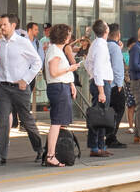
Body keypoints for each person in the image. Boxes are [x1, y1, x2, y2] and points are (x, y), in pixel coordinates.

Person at [0, 13, 44, 163]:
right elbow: (2, 67)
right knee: (3, 120)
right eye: (1, 24)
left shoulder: (23, 42)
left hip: (20, 88)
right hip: (4, 88)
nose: (1, 27)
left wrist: (26, 79)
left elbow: (37, 62)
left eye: (4, 24)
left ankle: (40, 149)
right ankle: (0, 156)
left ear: (13, 26)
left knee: (26, 120)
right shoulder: (0, 43)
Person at [43, 24, 80, 167]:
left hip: (60, 86)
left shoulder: (55, 50)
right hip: (58, 88)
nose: (70, 37)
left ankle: (52, 153)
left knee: (58, 122)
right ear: (64, 37)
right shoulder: (55, 52)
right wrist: (70, 68)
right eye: (69, 34)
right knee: (56, 122)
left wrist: (70, 83)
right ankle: (51, 155)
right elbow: (53, 72)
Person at [83, 20, 115, 158]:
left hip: (98, 83)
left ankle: (99, 146)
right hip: (101, 84)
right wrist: (101, 90)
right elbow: (97, 69)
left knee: (101, 115)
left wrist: (92, 77)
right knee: (100, 116)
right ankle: (96, 147)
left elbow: (87, 64)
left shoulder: (96, 44)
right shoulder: (100, 46)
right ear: (106, 30)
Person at [105, 23, 127, 148]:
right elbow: (118, 67)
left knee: (109, 110)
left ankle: (107, 135)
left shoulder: (104, 46)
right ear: (118, 35)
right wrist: (120, 83)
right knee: (119, 109)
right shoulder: (115, 48)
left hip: (105, 84)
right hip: (115, 85)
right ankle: (111, 136)